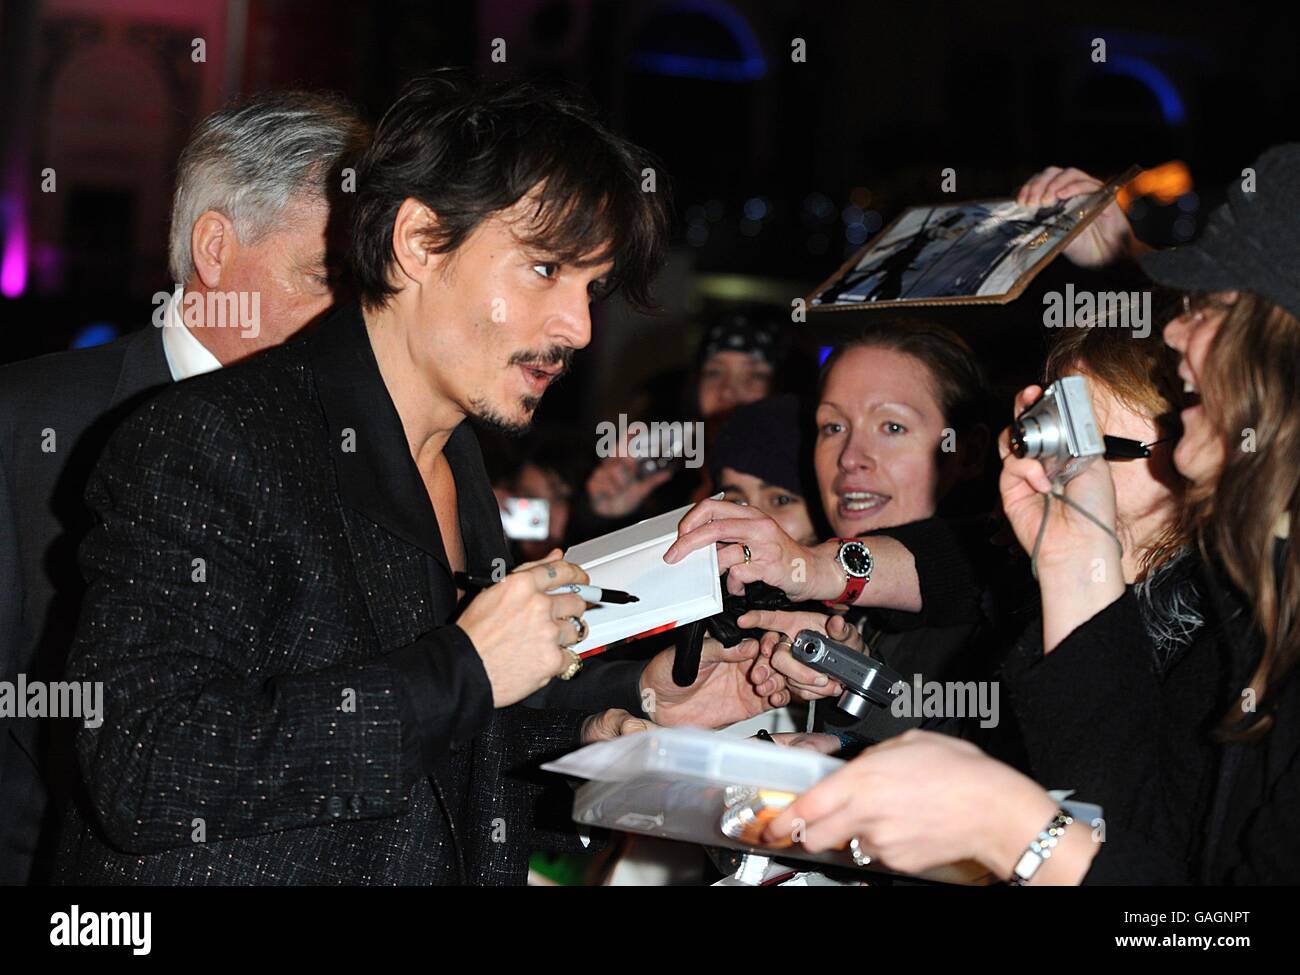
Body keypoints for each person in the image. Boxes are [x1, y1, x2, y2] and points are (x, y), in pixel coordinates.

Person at [52, 75, 690, 886]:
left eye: (590, 287)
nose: (578, 327)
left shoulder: (457, 454)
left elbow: (430, 759)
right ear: (419, 240)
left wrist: (618, 728)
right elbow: (148, 767)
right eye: (544, 269)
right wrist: (465, 667)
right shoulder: (209, 436)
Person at [762, 146, 1300, 885]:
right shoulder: (1244, 609)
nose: (1177, 333)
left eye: (1215, 310)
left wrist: (1010, 823)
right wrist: (1074, 566)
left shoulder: (1234, 613)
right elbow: (1132, 836)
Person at [0, 89, 369, 885]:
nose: (351, 322)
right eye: (325, 278)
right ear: (214, 248)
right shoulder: (24, 420)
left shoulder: (367, 447)